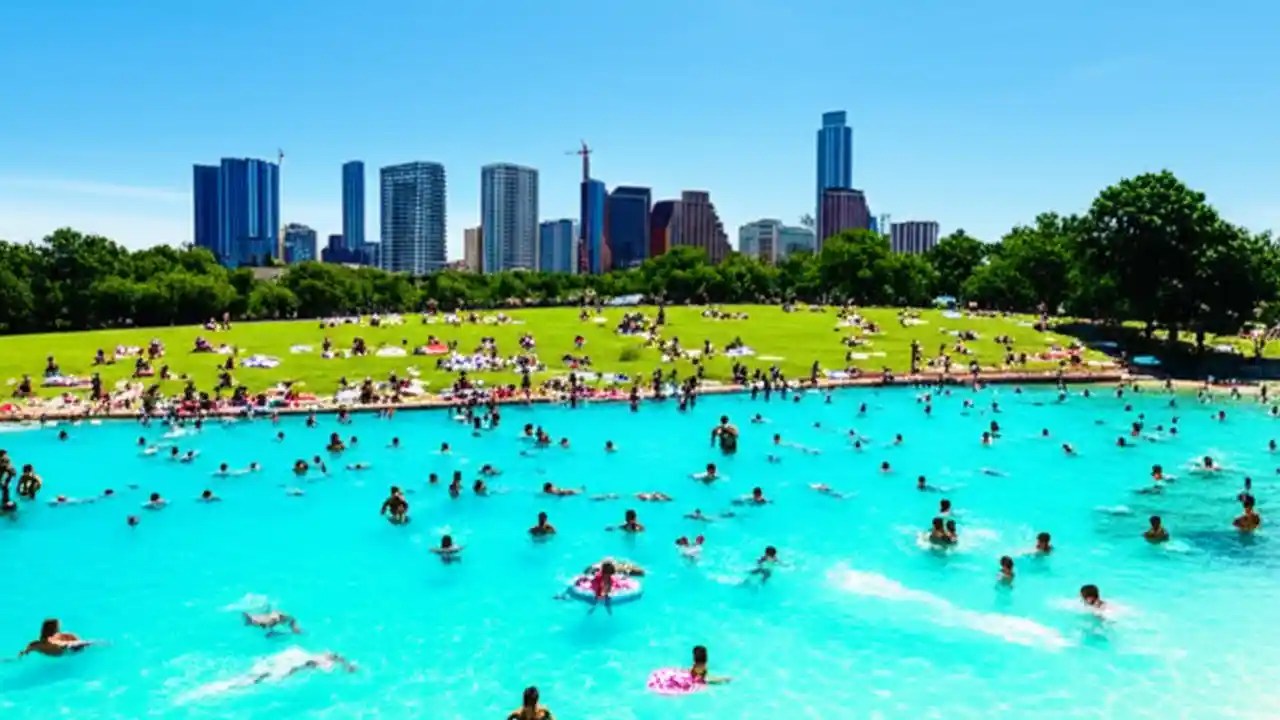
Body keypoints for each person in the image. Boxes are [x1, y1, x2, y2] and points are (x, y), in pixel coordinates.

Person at [19, 619, 93, 657]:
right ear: (55, 632)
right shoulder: (59, 645)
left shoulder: (34, 645)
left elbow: (22, 654)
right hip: (67, 651)